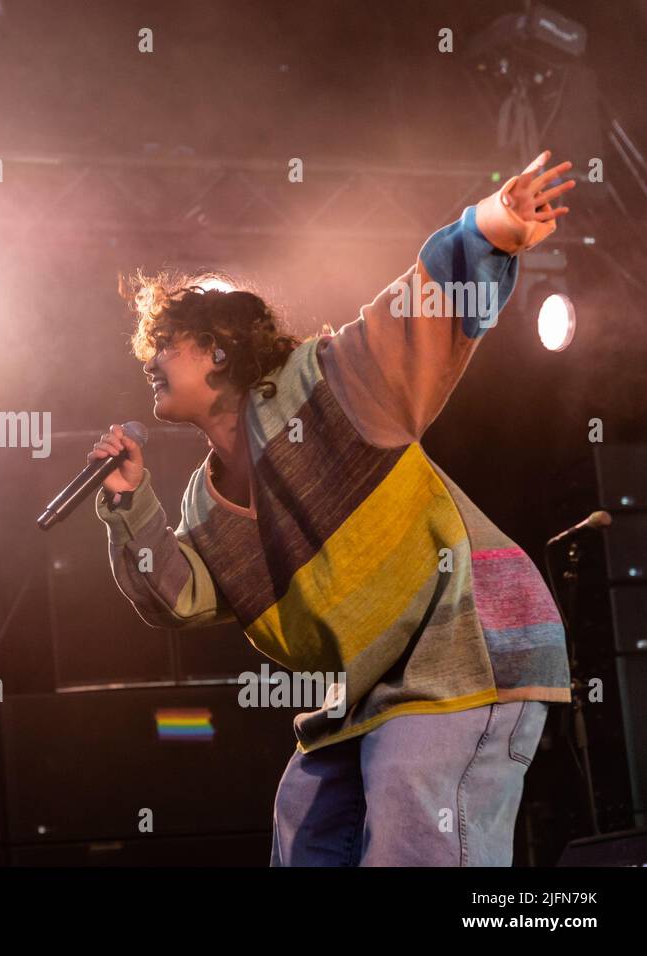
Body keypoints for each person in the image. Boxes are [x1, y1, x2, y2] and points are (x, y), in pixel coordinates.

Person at [91, 150, 577, 866]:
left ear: (220, 350)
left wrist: (496, 225)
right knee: (308, 820)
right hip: (373, 691)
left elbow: (416, 310)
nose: (148, 358)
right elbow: (182, 596)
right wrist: (129, 504)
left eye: (164, 342)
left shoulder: (327, 381)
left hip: (463, 651)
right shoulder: (205, 494)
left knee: (414, 800)